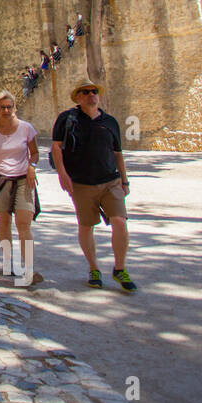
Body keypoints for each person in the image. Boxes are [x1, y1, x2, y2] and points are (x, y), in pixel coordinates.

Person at [52, 80, 136, 291]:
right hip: (81, 183)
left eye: (94, 91)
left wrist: (124, 180)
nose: (91, 95)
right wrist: (62, 174)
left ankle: (119, 268)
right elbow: (56, 148)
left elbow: (118, 154)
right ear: (78, 97)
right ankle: (93, 268)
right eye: (86, 92)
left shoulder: (110, 122)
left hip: (110, 180)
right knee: (86, 225)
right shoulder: (67, 119)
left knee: (119, 221)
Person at [0, 90, 43, 286]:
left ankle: (28, 269)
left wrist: (32, 167)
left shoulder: (26, 128)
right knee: (3, 221)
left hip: (23, 179)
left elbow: (35, 153)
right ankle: (6, 263)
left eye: (9, 107)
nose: (6, 110)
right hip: (0, 179)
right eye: (2, 107)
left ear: (14, 108)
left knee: (24, 224)